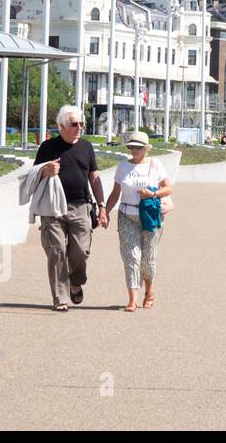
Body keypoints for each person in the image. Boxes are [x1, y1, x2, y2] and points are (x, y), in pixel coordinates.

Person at [35, 105, 105, 311]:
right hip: (52, 208)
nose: (79, 127)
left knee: (80, 252)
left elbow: (94, 178)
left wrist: (102, 206)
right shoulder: (47, 148)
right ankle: (60, 297)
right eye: (74, 124)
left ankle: (76, 282)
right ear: (62, 126)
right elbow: (31, 177)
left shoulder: (86, 147)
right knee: (56, 251)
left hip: (80, 206)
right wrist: (45, 170)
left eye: (81, 124)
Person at [103, 131, 172, 312]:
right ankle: (132, 299)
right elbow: (115, 193)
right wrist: (106, 212)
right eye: (131, 147)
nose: (134, 150)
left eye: (138, 147)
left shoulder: (155, 165)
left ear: (146, 149)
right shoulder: (123, 167)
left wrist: (153, 194)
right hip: (127, 215)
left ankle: (149, 292)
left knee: (147, 260)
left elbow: (168, 188)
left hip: (149, 216)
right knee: (132, 257)